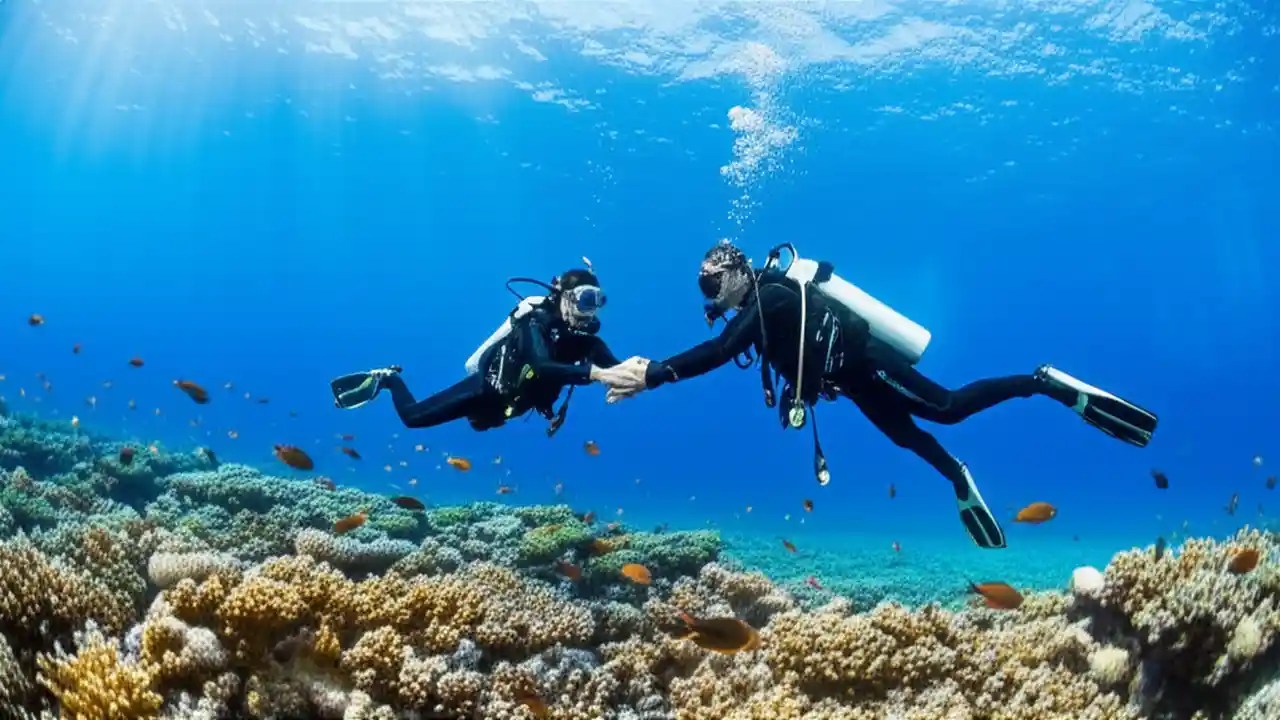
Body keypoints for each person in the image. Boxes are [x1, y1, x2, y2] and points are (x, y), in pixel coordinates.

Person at [600, 240, 1157, 550]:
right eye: (704, 287)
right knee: (906, 438)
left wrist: (655, 373)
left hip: (866, 364)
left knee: (948, 408)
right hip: (851, 381)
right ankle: (958, 478)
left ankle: (1044, 383)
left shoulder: (770, 296)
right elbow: (784, 358)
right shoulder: (759, 312)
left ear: (738, 272)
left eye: (714, 282)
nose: (711, 294)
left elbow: (721, 351)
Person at [331, 267, 647, 435]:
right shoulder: (533, 322)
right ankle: (389, 379)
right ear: (563, 296)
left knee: (483, 424)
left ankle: (484, 417)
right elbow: (542, 365)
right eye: (585, 300)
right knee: (413, 419)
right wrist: (598, 374)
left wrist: (645, 374)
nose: (589, 311)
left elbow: (618, 367)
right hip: (486, 390)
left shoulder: (587, 341)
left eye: (597, 302)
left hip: (510, 407)